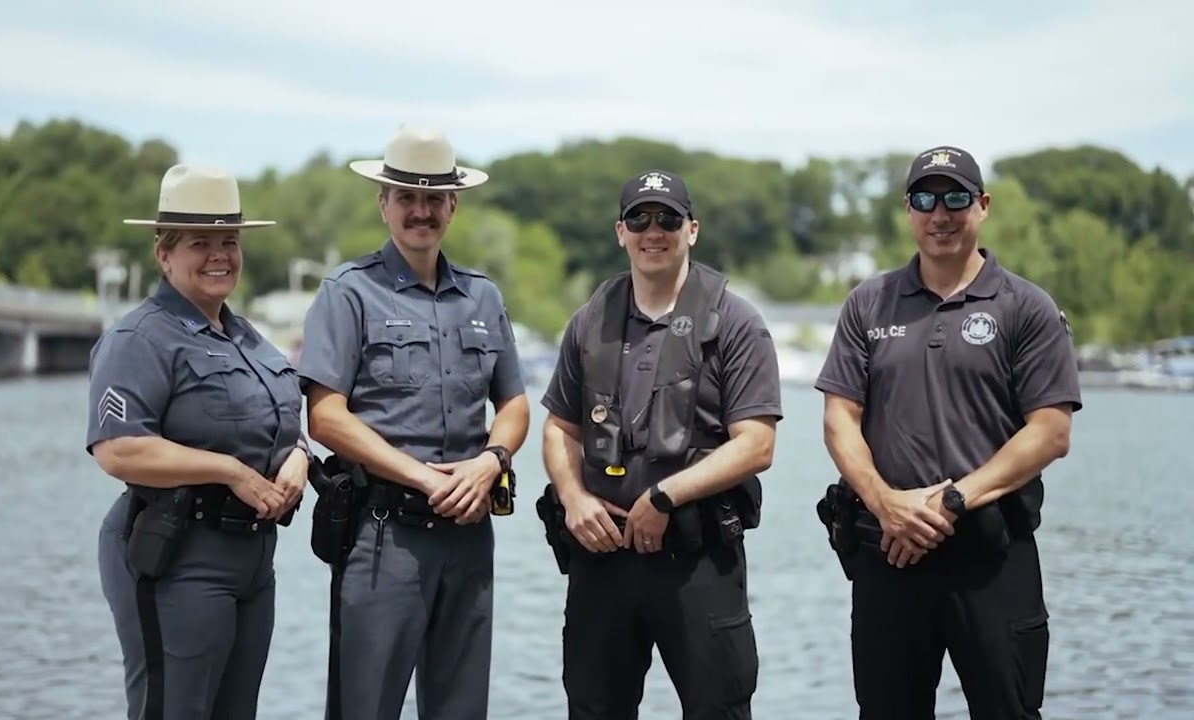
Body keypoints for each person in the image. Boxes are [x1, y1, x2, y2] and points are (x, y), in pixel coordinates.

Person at [813, 145, 1082, 719]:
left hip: (991, 558)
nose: (941, 214)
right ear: (908, 210)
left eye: (956, 197)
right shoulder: (868, 303)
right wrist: (886, 504)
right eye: (925, 199)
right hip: (889, 554)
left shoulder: (1025, 308)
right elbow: (839, 421)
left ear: (981, 206)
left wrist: (950, 502)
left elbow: (1050, 432)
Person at [296, 124, 530, 720]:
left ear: (453, 205)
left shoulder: (483, 297)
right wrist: (425, 479)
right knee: (365, 707)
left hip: (470, 533)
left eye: (434, 199)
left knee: (460, 709)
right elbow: (325, 417)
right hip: (384, 536)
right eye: (407, 197)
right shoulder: (348, 293)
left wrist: (490, 461)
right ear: (384, 203)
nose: (420, 211)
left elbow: (514, 405)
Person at [538, 169, 782, 719]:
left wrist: (664, 498)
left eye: (668, 218)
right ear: (619, 232)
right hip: (601, 563)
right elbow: (557, 428)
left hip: (697, 562)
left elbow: (757, 444)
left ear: (691, 230)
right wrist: (574, 499)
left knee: (718, 708)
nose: (654, 231)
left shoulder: (736, 322)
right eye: (639, 219)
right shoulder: (587, 324)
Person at [87, 164, 310, 720]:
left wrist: (301, 456)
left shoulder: (247, 337)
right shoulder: (140, 339)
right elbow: (118, 450)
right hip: (177, 551)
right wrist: (231, 471)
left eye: (228, 241)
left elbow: (279, 420)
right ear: (164, 253)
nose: (219, 255)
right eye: (199, 242)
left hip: (253, 557)